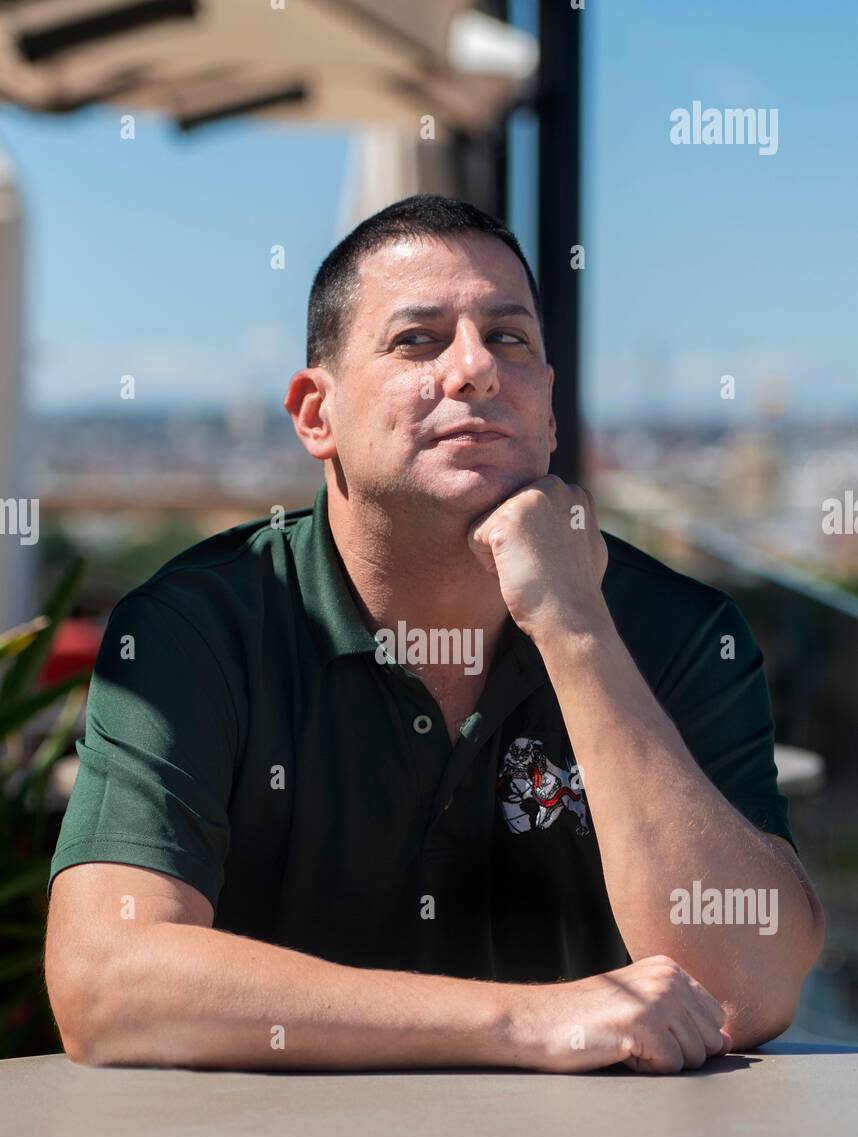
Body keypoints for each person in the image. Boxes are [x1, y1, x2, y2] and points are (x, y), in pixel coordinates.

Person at [45, 195, 824, 1076]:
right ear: (316, 415)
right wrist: (527, 1023)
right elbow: (106, 981)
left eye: (510, 338)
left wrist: (574, 624)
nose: (477, 369)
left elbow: (749, 987)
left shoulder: (675, 631)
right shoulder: (198, 628)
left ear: (550, 411)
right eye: (418, 339)